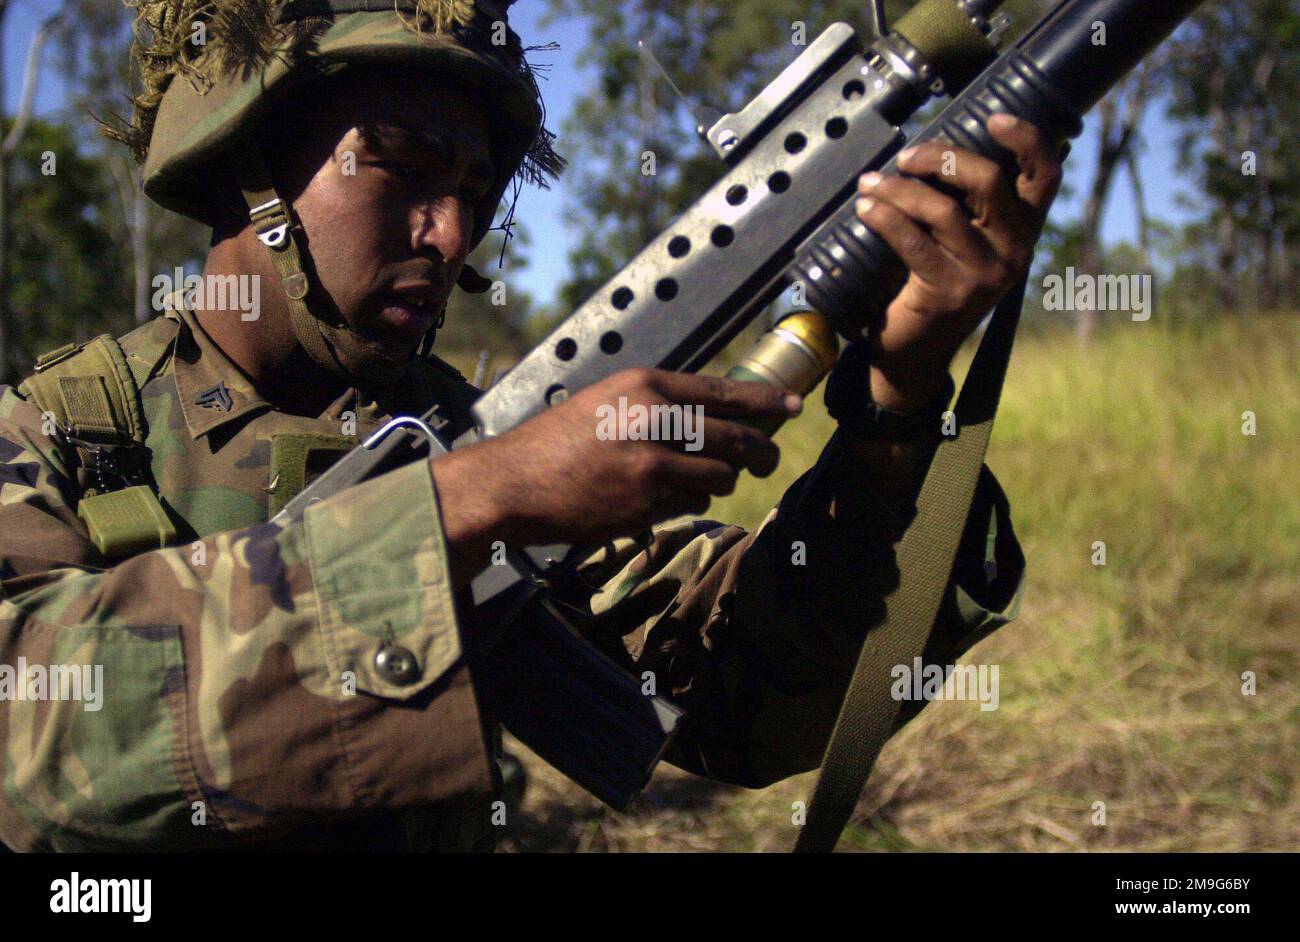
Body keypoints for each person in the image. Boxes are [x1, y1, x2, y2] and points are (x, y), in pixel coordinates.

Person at [0, 0, 1058, 851]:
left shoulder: (470, 430)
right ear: (251, 167)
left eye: (475, 188)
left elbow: (746, 707)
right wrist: (468, 504)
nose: (452, 233)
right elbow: (27, 749)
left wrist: (895, 411)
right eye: (405, 167)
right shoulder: (52, 436)